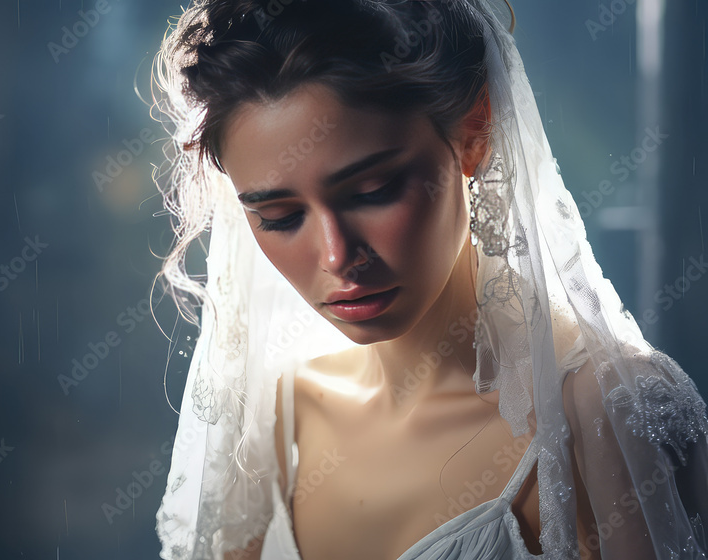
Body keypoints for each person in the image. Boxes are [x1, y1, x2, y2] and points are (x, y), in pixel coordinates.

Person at [149, 0, 708, 558]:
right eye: (280, 217)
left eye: (373, 192)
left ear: (474, 130)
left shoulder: (608, 414)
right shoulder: (284, 410)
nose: (337, 256)